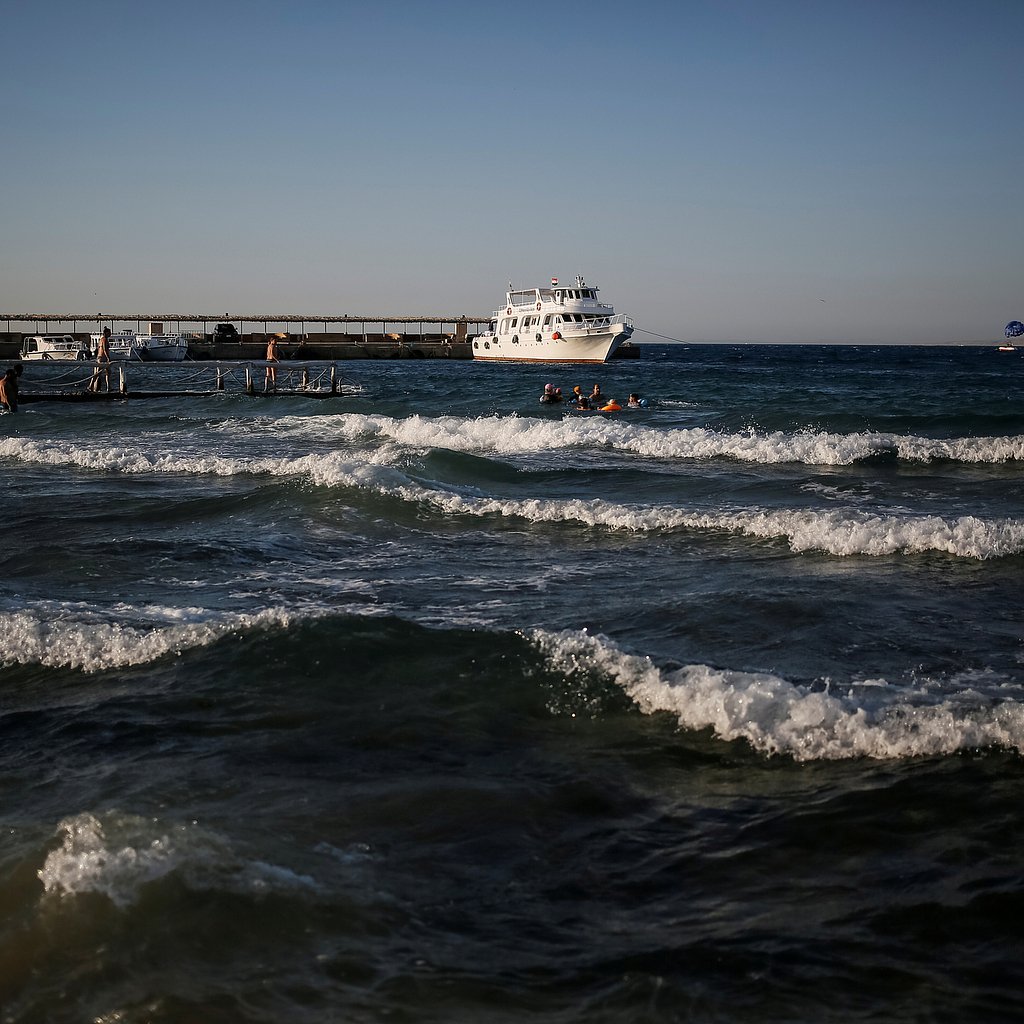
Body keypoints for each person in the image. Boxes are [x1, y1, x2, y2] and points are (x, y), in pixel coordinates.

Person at [88, 327, 111, 392]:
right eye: (109, 332)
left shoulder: (101, 339)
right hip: (103, 358)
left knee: (107, 372)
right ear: (106, 333)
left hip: (100, 357)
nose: (110, 334)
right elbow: (104, 349)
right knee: (98, 373)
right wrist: (108, 358)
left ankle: (108, 387)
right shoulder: (104, 340)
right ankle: (90, 386)